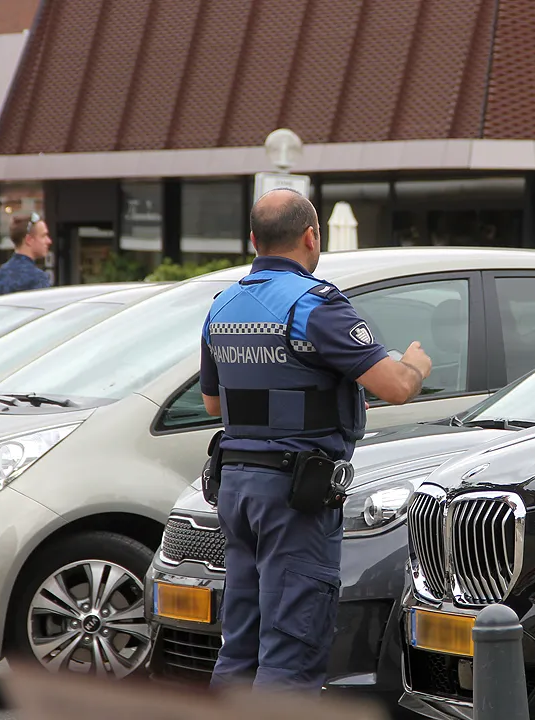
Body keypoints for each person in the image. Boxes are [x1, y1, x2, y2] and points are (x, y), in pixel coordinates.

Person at [201, 188, 432, 694]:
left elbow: (215, 406)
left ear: (253, 241)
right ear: (312, 236)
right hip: (295, 497)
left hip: (237, 491)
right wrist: (415, 362)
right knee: (293, 645)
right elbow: (394, 387)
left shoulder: (223, 306)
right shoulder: (317, 306)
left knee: (240, 642)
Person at [0, 212, 53, 296]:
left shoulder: (2, 273)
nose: (49, 241)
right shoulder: (37, 277)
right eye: (43, 236)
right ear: (29, 240)